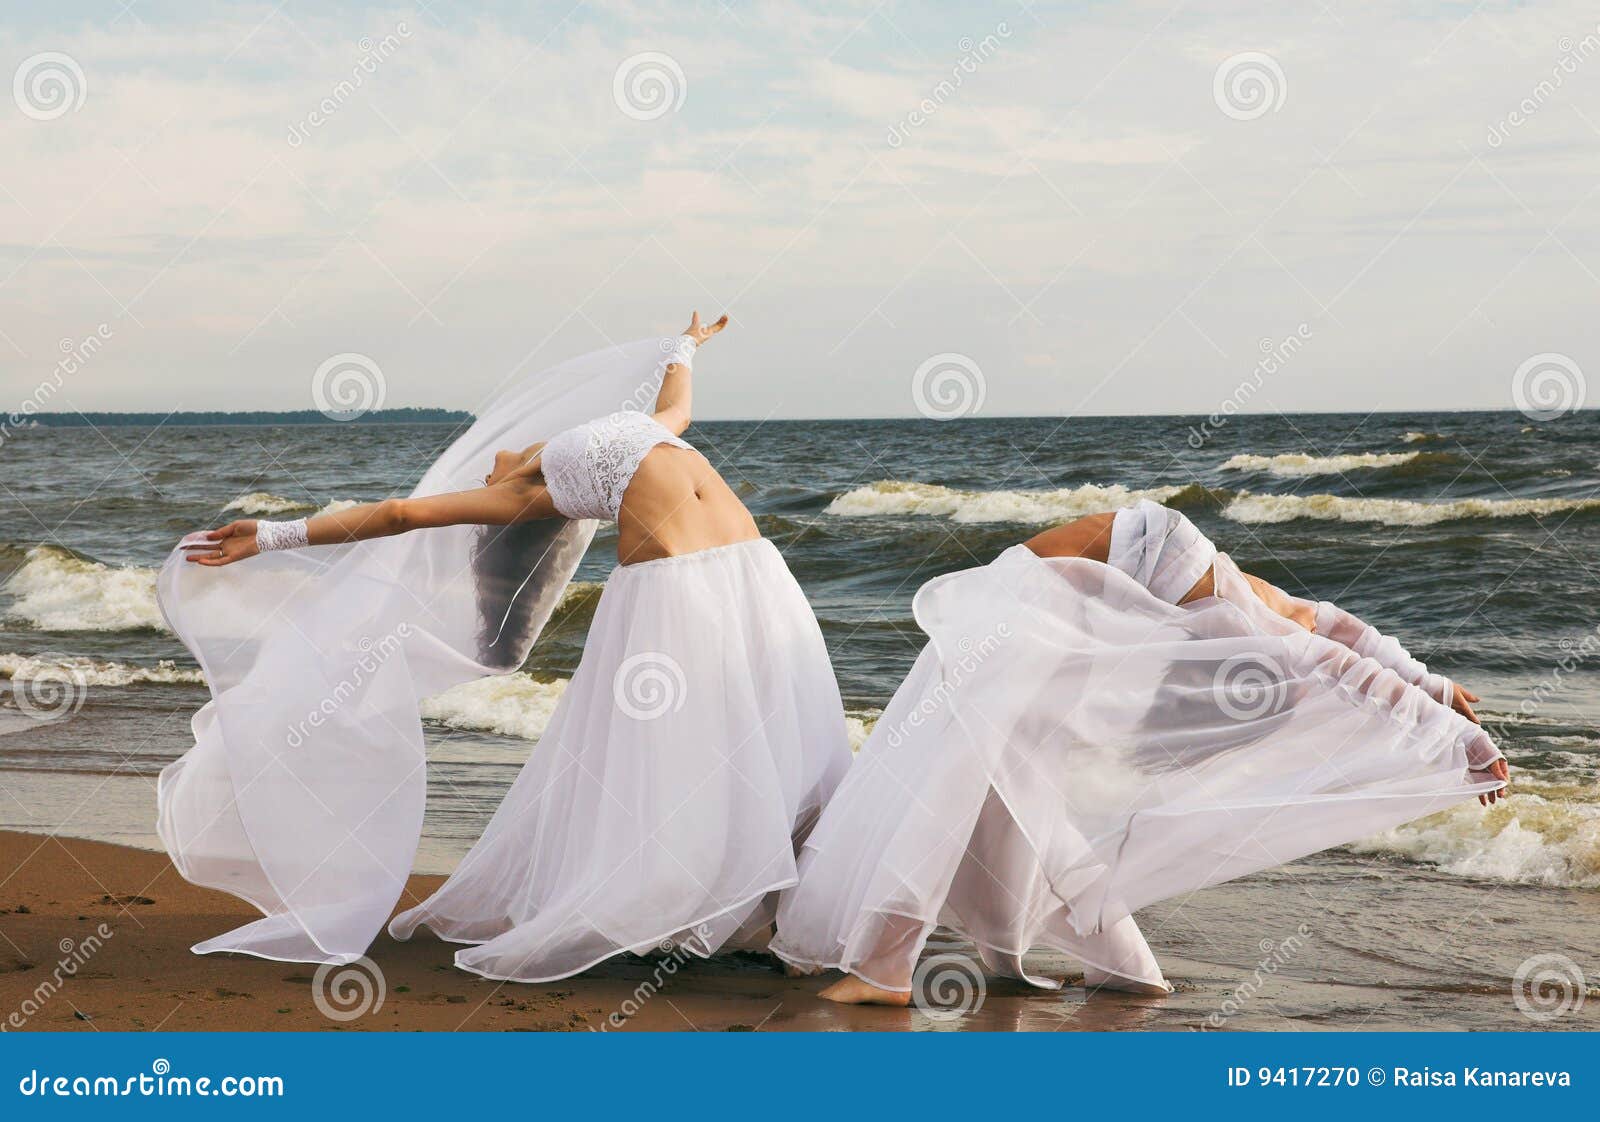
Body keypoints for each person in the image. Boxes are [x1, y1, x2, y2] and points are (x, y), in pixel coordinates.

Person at [167, 315, 850, 976]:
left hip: (756, 574)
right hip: (685, 589)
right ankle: (712, 900)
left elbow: (676, 412)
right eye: (488, 477)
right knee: (704, 743)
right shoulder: (530, 492)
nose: (486, 465)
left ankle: (782, 906)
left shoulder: (633, 433)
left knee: (773, 731)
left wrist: (685, 347)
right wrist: (272, 537)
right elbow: (402, 516)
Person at [771, 499, 1508, 1005]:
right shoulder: (1259, 619)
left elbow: (1343, 652)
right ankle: (1090, 962)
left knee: (970, 757)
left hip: (1064, 586)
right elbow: (1348, 643)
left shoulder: (1266, 623)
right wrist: (1432, 691)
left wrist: (1451, 724)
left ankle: (891, 966)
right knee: (984, 760)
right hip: (1082, 577)